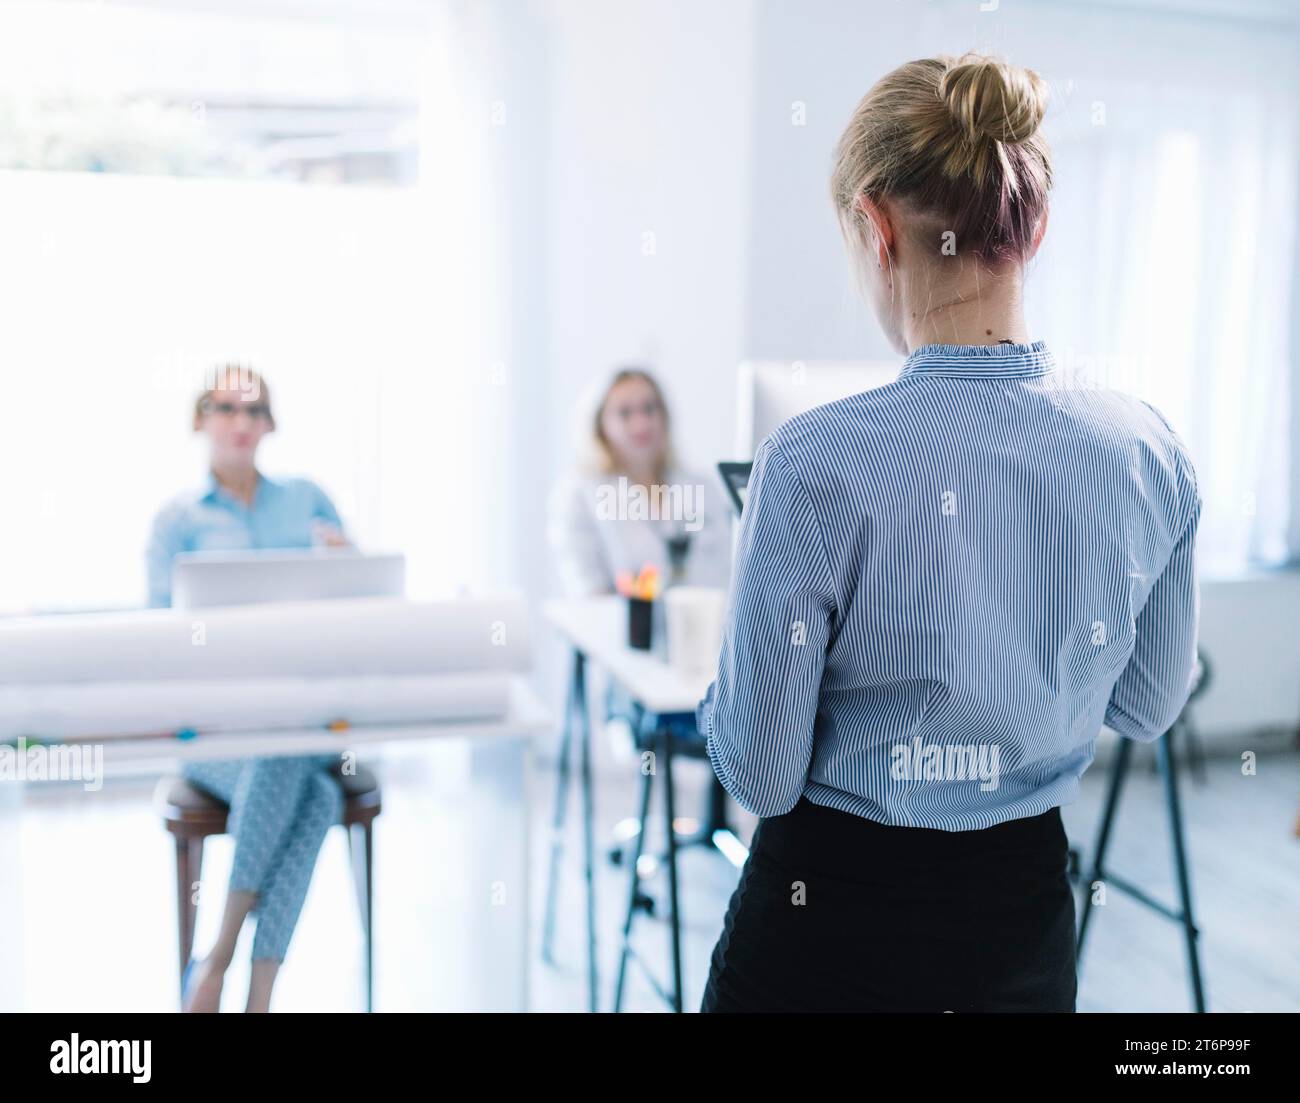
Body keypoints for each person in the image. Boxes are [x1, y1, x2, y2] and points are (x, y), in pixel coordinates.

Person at [697, 53, 1201, 1012]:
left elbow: (760, 774)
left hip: (825, 930)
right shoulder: (1150, 450)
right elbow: (1144, 706)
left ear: (875, 226)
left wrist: (731, 683)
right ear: (1035, 226)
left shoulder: (810, 462)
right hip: (1021, 931)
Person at [147, 364, 349, 1013]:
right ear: (201, 419)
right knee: (313, 794)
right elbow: (156, 637)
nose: (240, 421)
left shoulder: (308, 500)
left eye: (253, 409)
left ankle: (218, 958)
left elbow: (363, 606)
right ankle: (257, 991)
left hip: (306, 719)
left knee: (289, 742)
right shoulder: (177, 521)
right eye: (225, 407)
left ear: (269, 424)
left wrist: (344, 564)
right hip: (215, 732)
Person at [547, 367, 732, 598]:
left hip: (701, 625)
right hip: (615, 630)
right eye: (625, 413)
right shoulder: (579, 493)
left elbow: (724, 575)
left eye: (649, 408)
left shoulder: (701, 487)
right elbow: (588, 589)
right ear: (600, 425)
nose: (641, 423)